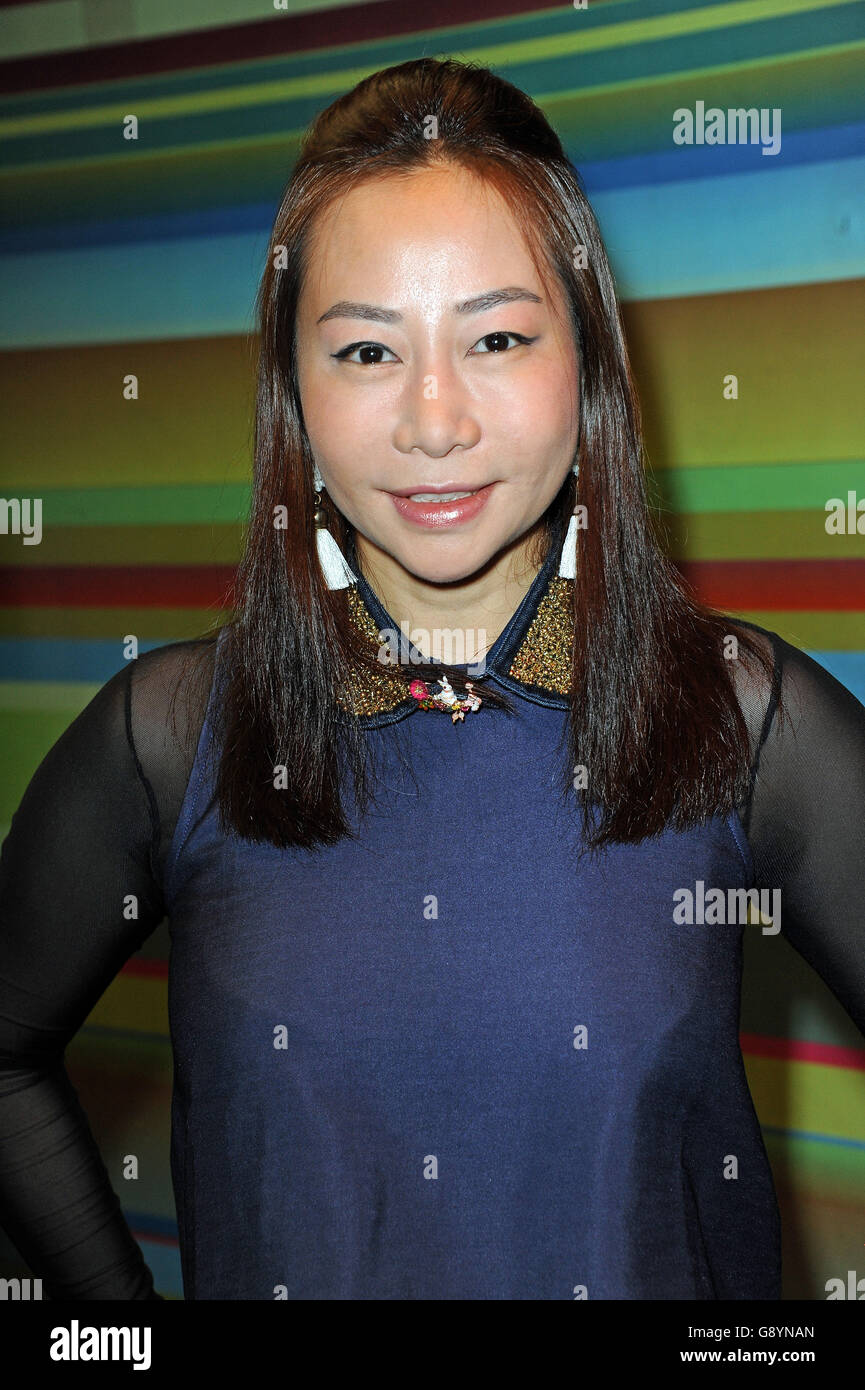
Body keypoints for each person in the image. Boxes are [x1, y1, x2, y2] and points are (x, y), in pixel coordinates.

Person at [1, 57, 863, 1302]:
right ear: (292, 390)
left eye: (498, 336)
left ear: (589, 364)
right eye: (364, 352)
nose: (434, 418)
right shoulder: (168, 737)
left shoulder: (746, 719)